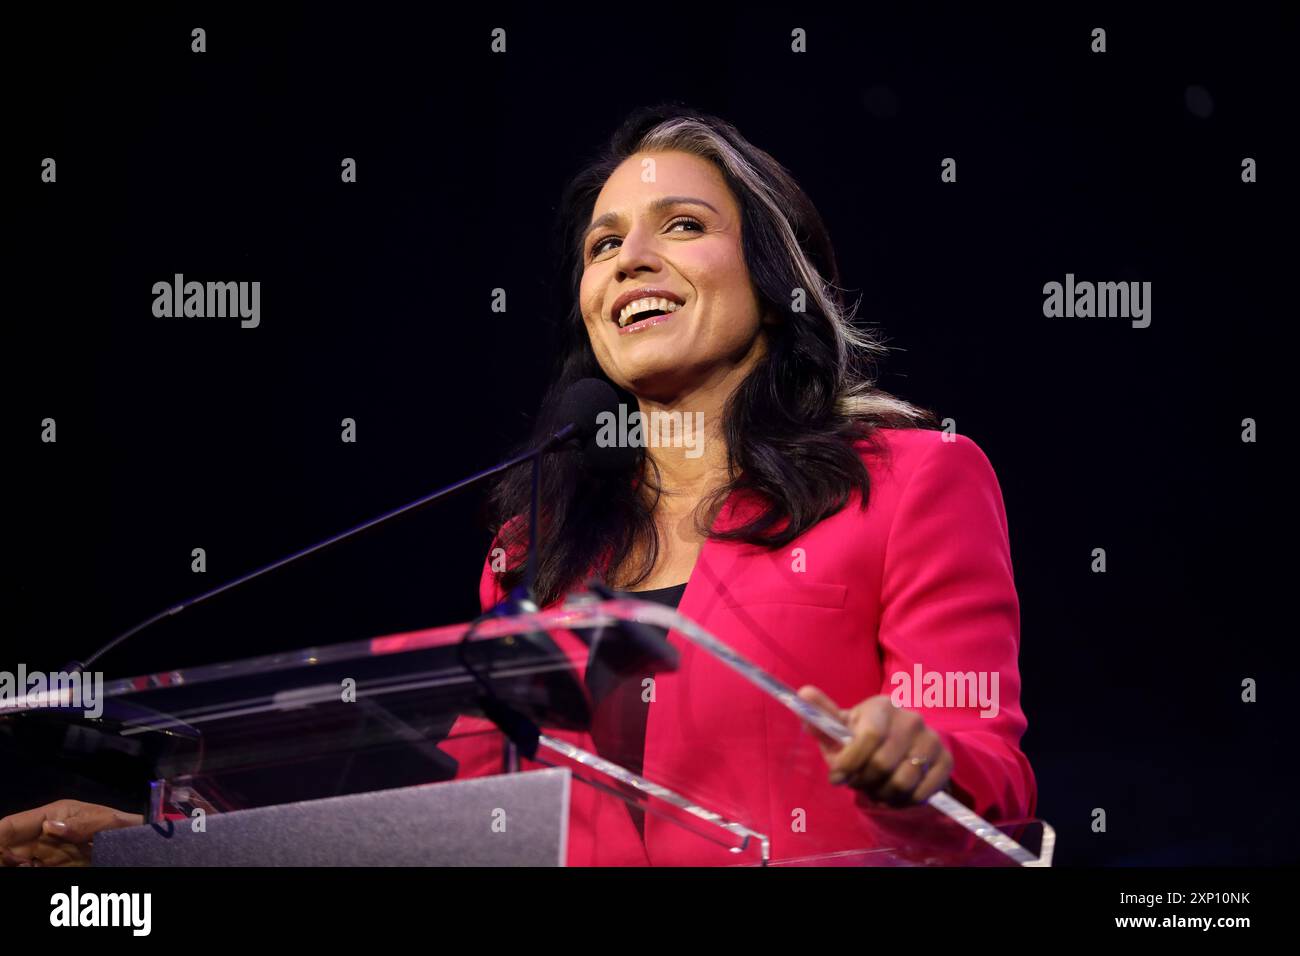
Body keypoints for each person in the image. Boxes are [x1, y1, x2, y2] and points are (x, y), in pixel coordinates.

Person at [1, 104, 1035, 867]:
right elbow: (449, 828)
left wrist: (920, 760)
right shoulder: (541, 546)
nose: (629, 258)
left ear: (773, 275)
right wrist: (165, 850)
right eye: (601, 244)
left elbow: (991, 776)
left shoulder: (913, 479)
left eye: (679, 225)